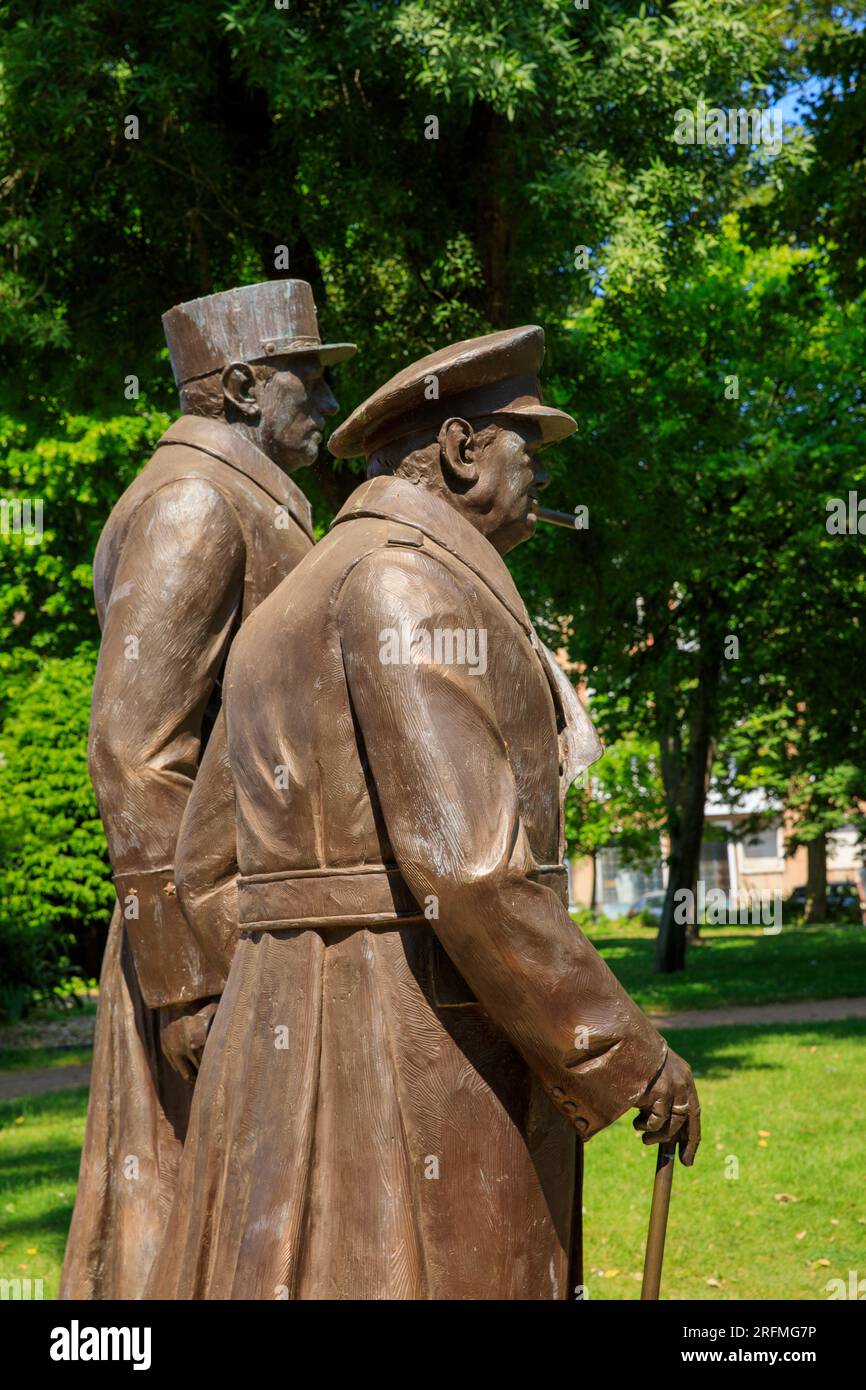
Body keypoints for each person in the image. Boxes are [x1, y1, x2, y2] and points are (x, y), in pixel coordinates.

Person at [147, 325, 699, 1300]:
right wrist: (622, 1050)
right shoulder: (408, 583)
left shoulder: (297, 594)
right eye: (528, 444)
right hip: (413, 1040)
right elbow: (469, 870)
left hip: (282, 1049)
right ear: (459, 450)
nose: (540, 474)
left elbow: (205, 863)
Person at [60, 280, 355, 1300]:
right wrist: (188, 977)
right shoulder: (193, 503)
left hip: (234, 927)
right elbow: (133, 753)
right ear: (237, 387)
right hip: (198, 942)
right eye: (304, 378)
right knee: (177, 1223)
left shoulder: (248, 497)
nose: (322, 402)